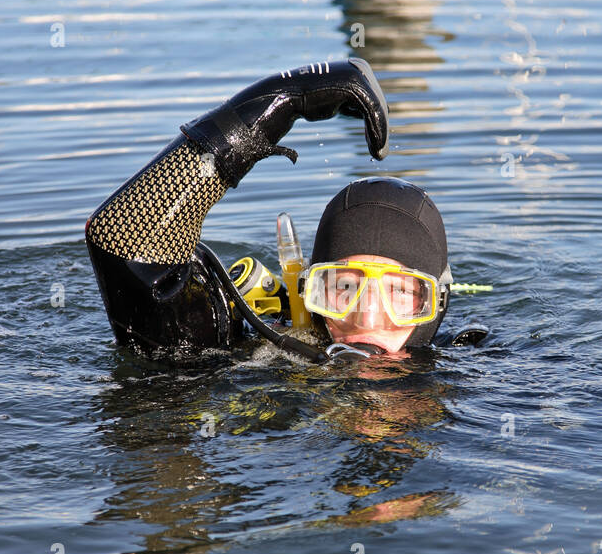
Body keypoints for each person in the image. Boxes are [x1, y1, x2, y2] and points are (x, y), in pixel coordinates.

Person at [84, 58, 485, 361]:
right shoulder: (253, 360)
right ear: (309, 295)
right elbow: (123, 238)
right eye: (343, 288)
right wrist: (277, 103)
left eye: (400, 292)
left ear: (436, 307)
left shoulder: (488, 381)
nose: (367, 318)